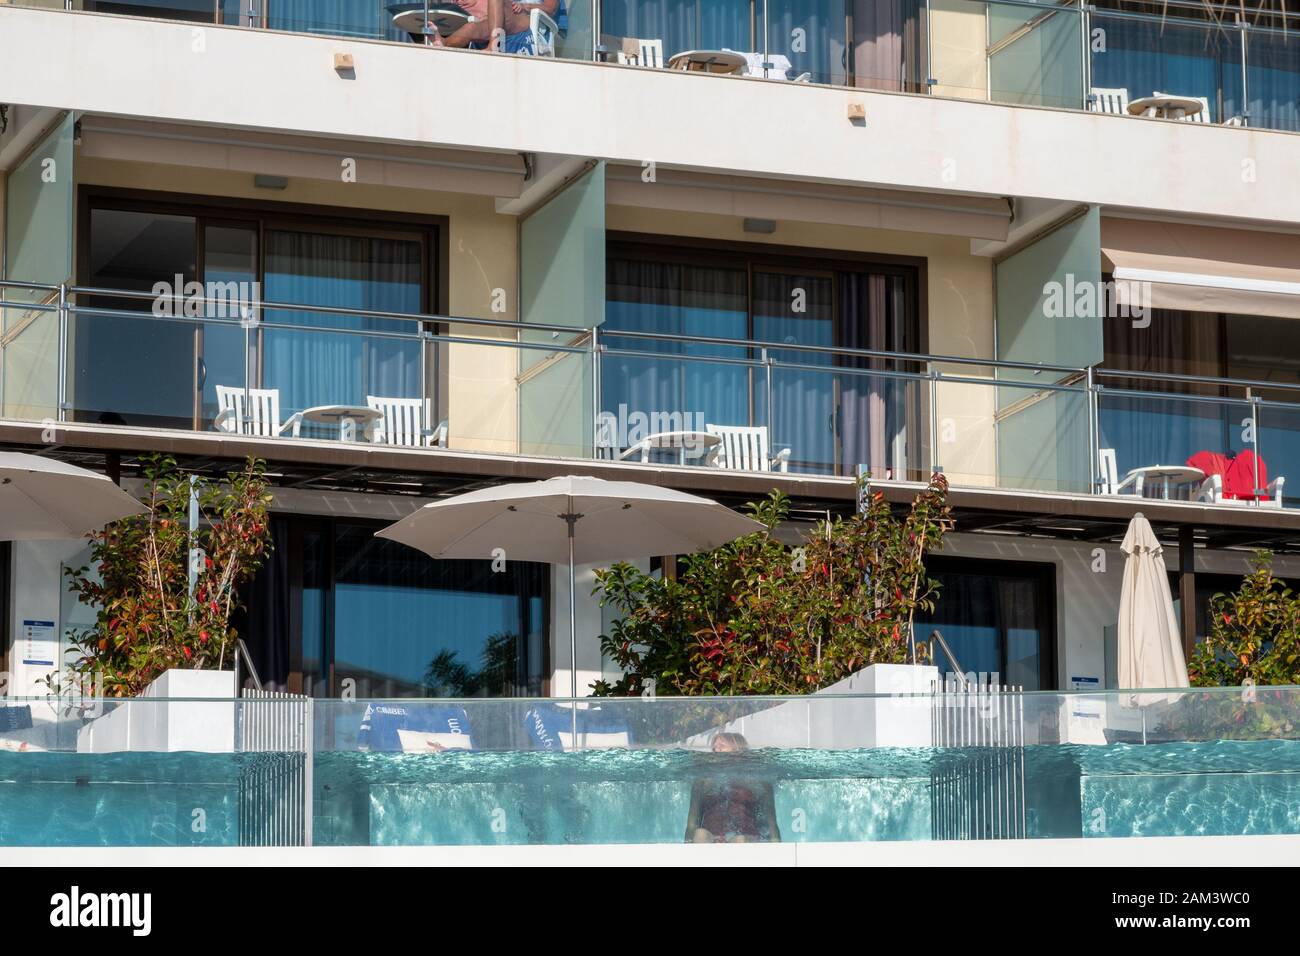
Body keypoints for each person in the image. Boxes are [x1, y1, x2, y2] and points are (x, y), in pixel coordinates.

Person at [685, 732, 781, 843]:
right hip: (711, 839)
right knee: (700, 834)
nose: (716, 750)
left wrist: (777, 849)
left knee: (740, 839)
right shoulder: (703, 781)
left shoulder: (757, 780)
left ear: (738, 750)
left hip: (746, 838)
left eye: (722, 746)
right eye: (714, 747)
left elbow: (771, 824)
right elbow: (692, 824)